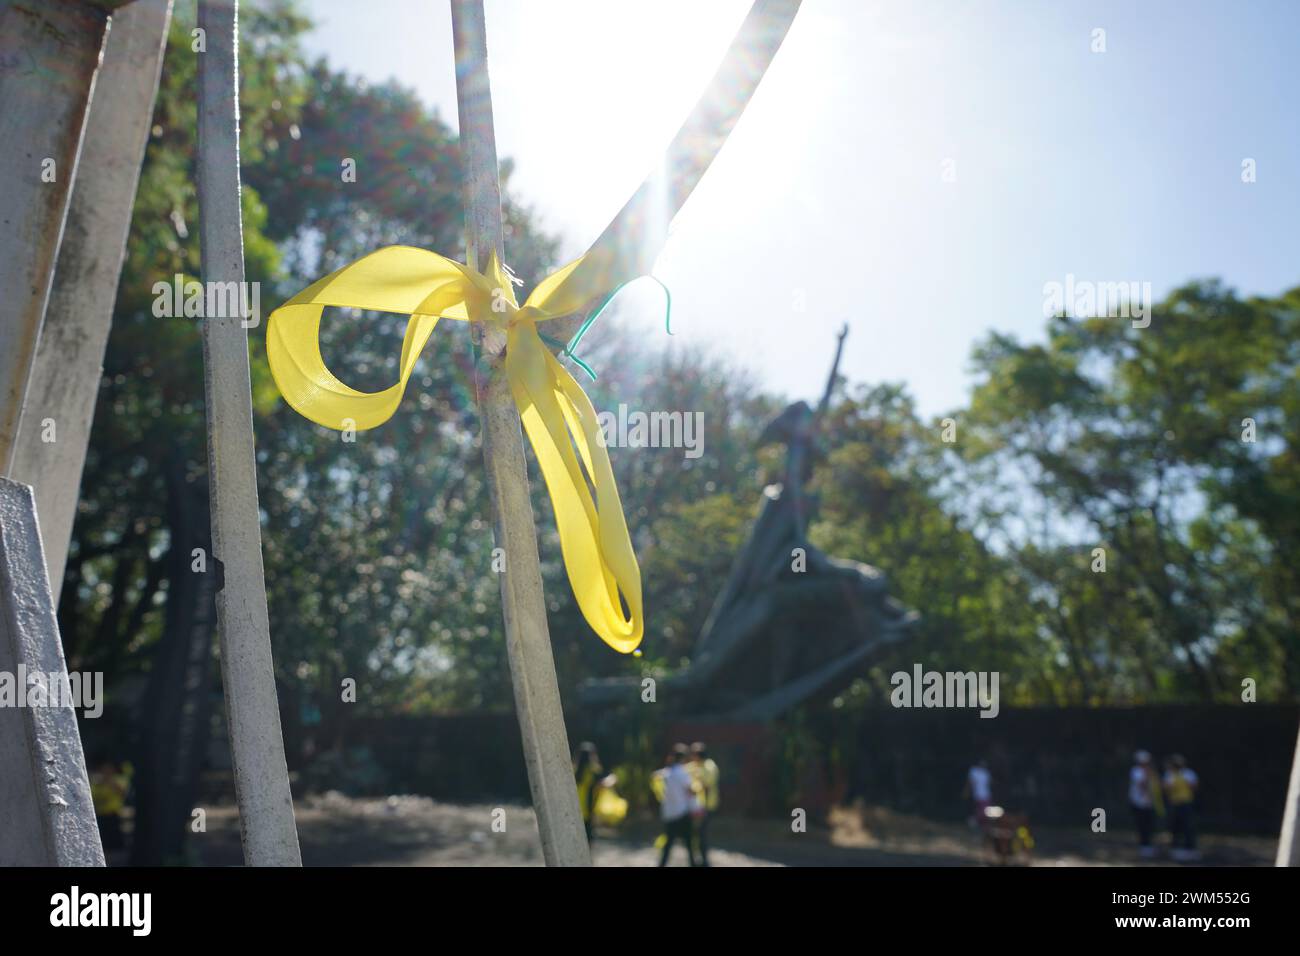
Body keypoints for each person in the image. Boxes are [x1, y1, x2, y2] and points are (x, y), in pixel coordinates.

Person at [652, 744, 698, 867]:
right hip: (682, 812)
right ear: (683, 759)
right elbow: (691, 791)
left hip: (668, 813)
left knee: (669, 842)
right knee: (688, 842)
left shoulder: (665, 773)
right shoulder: (682, 773)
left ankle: (662, 864)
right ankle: (693, 864)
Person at [688, 742, 720, 867]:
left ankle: (704, 861)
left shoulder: (709, 766)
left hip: (705, 807)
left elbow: (706, 786)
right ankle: (695, 860)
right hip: (694, 806)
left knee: (702, 834)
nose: (691, 757)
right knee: (693, 835)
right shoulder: (694, 765)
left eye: (693, 754)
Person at [1163, 754, 1199, 861]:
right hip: (1174, 804)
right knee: (1175, 826)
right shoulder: (1169, 774)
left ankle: (1190, 848)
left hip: (1186, 803)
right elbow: (1165, 788)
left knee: (1188, 826)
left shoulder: (1188, 773)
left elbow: (1195, 786)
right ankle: (1176, 848)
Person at [1128, 750, 1164, 859]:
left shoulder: (1150, 771)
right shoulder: (1136, 771)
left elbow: (1158, 785)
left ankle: (1149, 847)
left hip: (1150, 803)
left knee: (1150, 826)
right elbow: (1142, 784)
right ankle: (1144, 848)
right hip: (1139, 803)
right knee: (1142, 826)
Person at [573, 742, 603, 842]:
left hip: (574, 808)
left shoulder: (573, 770)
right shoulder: (594, 770)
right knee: (588, 840)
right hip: (588, 809)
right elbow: (600, 786)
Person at [964, 759, 993, 827]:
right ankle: (973, 821)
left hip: (986, 795)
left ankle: (978, 824)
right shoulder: (974, 771)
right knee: (981, 811)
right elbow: (970, 783)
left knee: (985, 811)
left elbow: (989, 783)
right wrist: (967, 792)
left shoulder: (986, 772)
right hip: (977, 795)